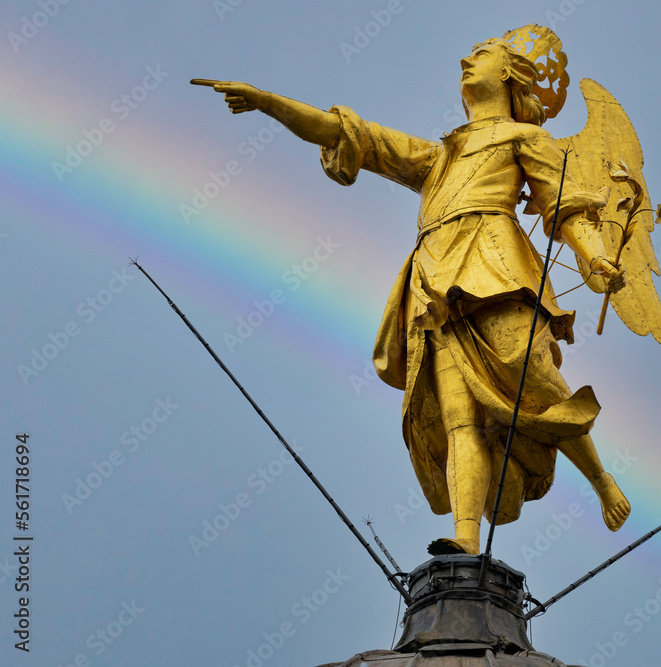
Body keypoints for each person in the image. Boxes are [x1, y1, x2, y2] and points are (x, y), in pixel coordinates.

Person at [196, 35, 631, 555]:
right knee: (459, 420)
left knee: (531, 375)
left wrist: (594, 258)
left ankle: (600, 479)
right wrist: (267, 102)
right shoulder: (438, 155)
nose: (466, 60)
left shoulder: (525, 137)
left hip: (497, 262)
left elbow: (563, 207)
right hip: (436, 282)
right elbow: (350, 133)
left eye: (482, 55)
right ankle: (466, 539)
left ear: (508, 74)